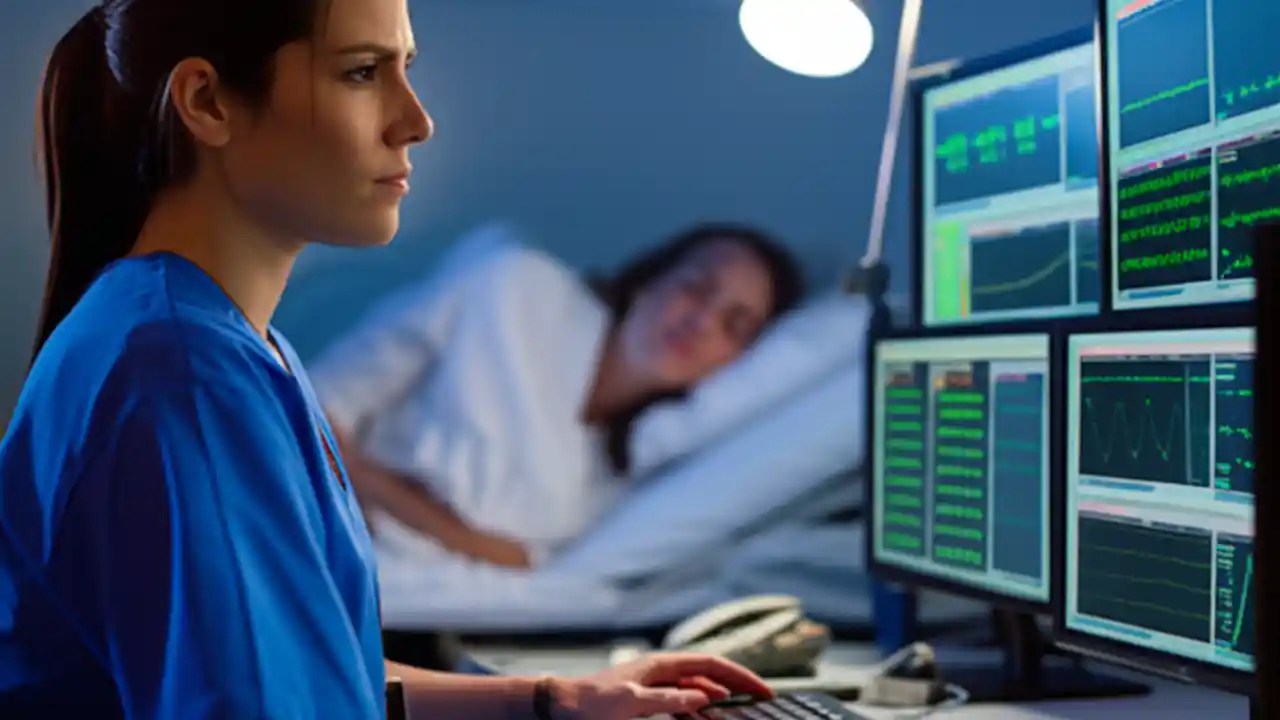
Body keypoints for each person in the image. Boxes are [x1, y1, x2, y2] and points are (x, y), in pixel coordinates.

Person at [0, 0, 775, 717]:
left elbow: (308, 667)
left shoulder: (219, 341)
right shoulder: (186, 374)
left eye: (407, 69)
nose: (417, 120)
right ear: (208, 104)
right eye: (363, 73)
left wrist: (547, 698)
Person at [312, 223, 804, 571]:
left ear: (736, 363)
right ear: (647, 281)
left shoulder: (629, 466)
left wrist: (371, 481)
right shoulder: (514, 289)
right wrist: (354, 482)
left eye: (734, 324)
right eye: (697, 287)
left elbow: (522, 559)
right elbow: (322, 403)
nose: (701, 322)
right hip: (318, 515)